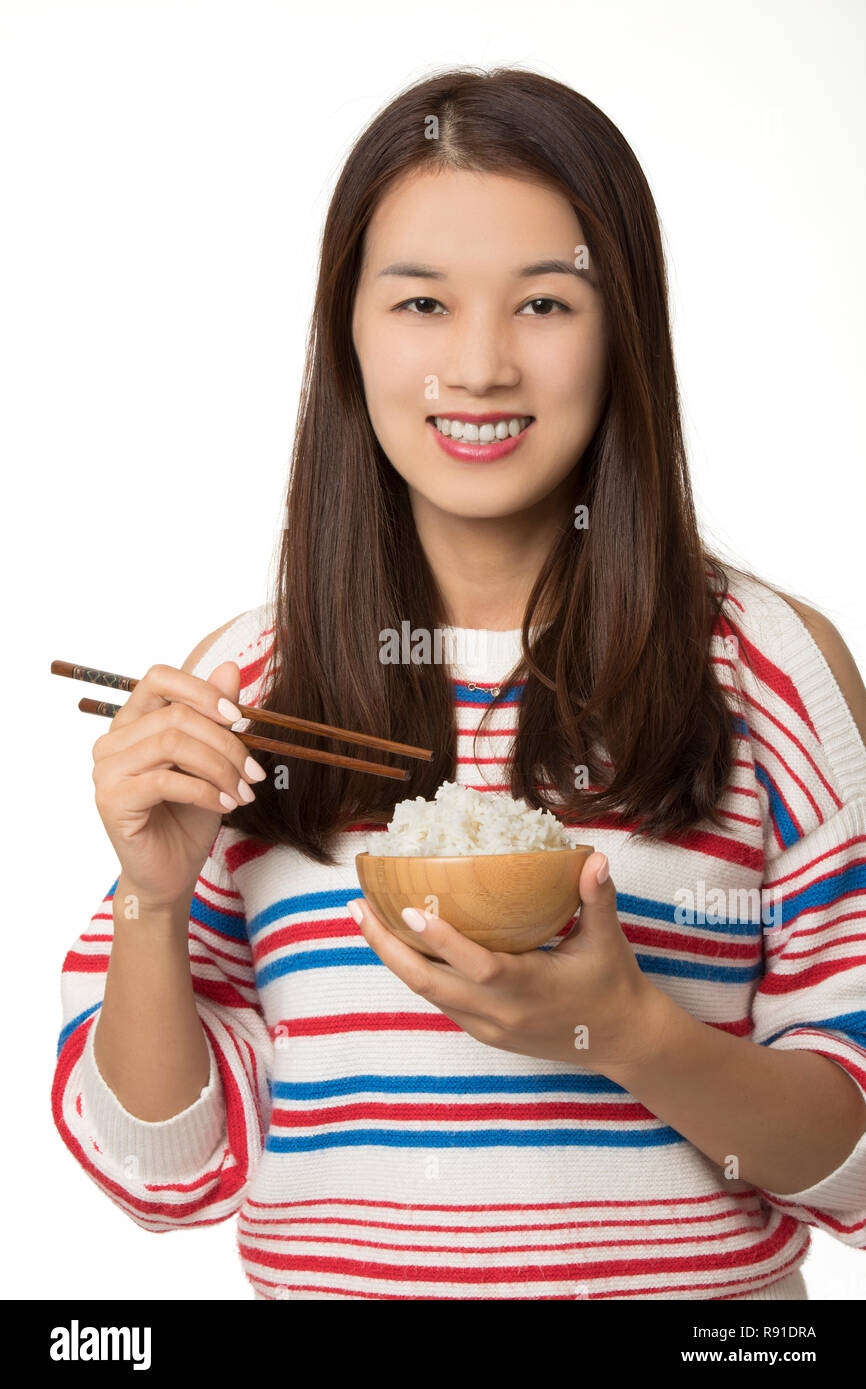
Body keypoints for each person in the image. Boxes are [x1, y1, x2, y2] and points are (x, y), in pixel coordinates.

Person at [52, 66, 866, 1300]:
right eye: (421, 301)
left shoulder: (764, 670)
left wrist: (625, 1032)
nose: (478, 367)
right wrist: (154, 907)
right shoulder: (247, 690)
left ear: (624, 326)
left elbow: (855, 1162)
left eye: (543, 303)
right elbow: (163, 1172)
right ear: (348, 330)